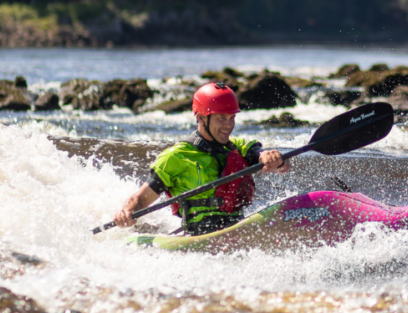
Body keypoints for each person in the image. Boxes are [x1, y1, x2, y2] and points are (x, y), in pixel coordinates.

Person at [114, 82, 288, 235]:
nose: (229, 125)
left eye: (232, 118)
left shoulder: (238, 147)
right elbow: (141, 199)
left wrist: (276, 160)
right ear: (201, 118)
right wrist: (126, 213)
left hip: (237, 228)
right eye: (221, 118)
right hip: (199, 235)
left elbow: (263, 156)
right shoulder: (175, 157)